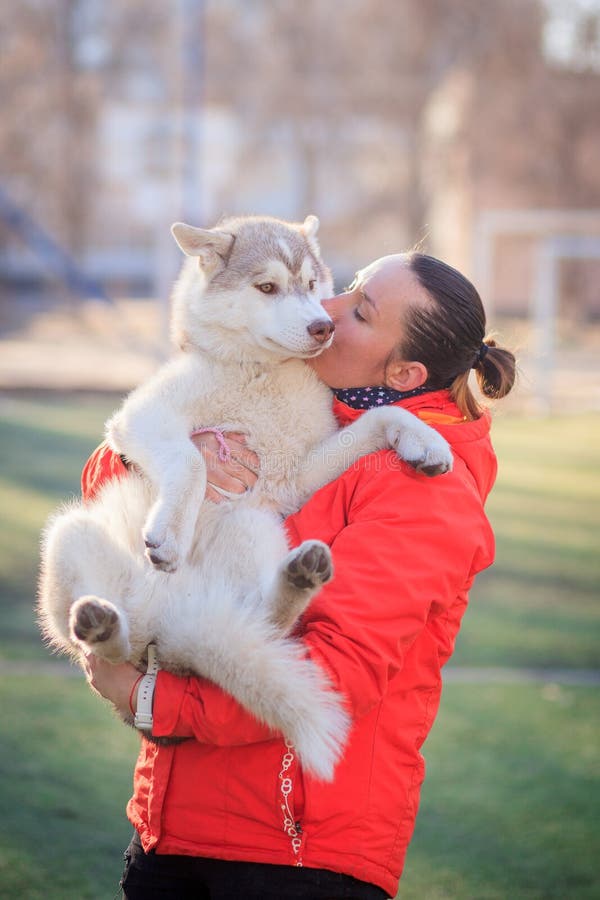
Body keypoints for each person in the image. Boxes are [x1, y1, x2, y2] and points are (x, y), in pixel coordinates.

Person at [81, 251, 515, 900]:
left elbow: (334, 675)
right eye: (346, 288)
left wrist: (147, 699)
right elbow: (110, 502)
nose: (326, 310)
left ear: (404, 372)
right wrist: (175, 457)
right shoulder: (295, 394)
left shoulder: (423, 483)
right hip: (174, 825)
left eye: (359, 312)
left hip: (296, 855)